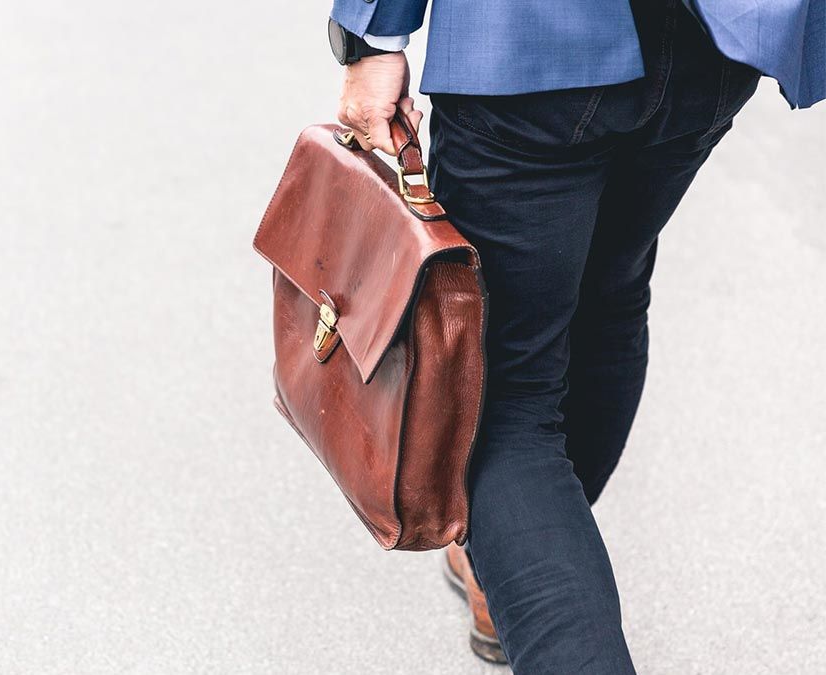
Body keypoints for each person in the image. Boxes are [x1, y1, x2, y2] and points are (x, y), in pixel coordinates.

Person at [326, 0, 824, 671]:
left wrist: (372, 34)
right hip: (715, 44)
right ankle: (514, 550)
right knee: (609, 292)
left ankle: (519, 547)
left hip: (532, 43)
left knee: (501, 398)